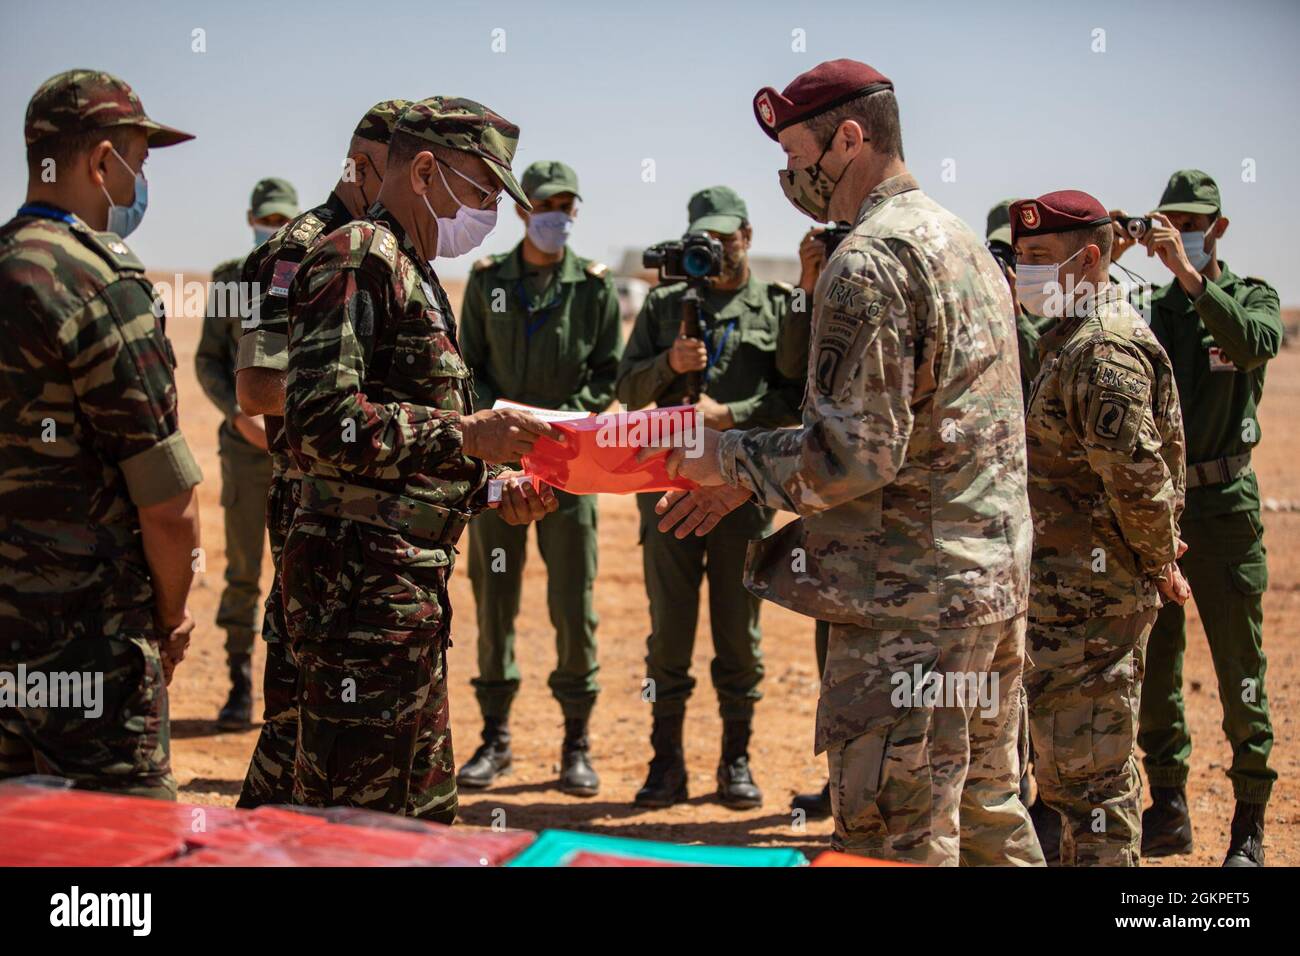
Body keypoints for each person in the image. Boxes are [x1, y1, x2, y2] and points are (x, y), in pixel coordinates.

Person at [652, 59, 1042, 865]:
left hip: (909, 616)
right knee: (986, 820)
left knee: (896, 840)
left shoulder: (869, 260)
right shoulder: (960, 240)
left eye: (797, 154)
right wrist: (746, 481)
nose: (789, 175)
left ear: (851, 138)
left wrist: (724, 457)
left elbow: (849, 459)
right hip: (989, 593)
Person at [281, 96, 557, 821]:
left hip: (404, 593)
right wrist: (464, 436)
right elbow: (317, 423)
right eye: (483, 191)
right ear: (427, 170)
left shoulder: (414, 270)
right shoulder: (355, 257)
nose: (490, 210)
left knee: (420, 821)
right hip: (357, 594)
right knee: (351, 826)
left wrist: (492, 489)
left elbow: (407, 445)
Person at [0, 70, 202, 798]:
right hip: (90, 656)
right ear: (99, 163)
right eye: (138, 165)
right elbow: (167, 503)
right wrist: (172, 621)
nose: (140, 185)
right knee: (121, 863)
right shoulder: (100, 286)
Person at [232, 99, 409, 808]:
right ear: (365, 167)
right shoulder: (298, 248)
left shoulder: (384, 248)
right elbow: (256, 387)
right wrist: (373, 405)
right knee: (304, 702)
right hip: (314, 503)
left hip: (375, 504)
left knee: (337, 711)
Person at [1009, 190, 1188, 866]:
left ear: (1088, 260)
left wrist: (1158, 559)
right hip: (1065, 602)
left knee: (1095, 787)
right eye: (1021, 257)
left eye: (1038, 259)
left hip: (1093, 605)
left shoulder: (1105, 350)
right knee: (1071, 780)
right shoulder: (1069, 338)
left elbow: (1138, 478)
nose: (1025, 272)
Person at [616, 185, 803, 810]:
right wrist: (669, 362)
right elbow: (627, 389)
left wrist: (731, 412)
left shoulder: (777, 308)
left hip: (742, 496)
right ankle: (665, 762)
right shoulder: (666, 304)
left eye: (726, 239)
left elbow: (793, 399)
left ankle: (736, 761)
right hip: (668, 493)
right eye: (706, 239)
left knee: (738, 634)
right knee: (667, 634)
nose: (716, 250)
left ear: (747, 235)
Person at [1119, 170, 1281, 867]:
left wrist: (1188, 273)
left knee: (1239, 667)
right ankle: (1170, 806)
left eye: (1193, 221)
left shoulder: (1248, 297)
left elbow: (1252, 343)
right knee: (1157, 666)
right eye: (1170, 219)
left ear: (1217, 229)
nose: (1180, 230)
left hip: (1226, 509)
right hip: (1164, 507)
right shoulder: (1154, 309)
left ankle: (1248, 823)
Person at [457, 160, 622, 796]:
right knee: (495, 602)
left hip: (570, 470)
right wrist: (502, 436)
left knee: (571, 605)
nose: (558, 216)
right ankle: (494, 737)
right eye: (546, 204)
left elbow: (605, 375)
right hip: (499, 471)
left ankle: (575, 743)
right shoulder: (487, 281)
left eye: (567, 205)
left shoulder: (595, 288)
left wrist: (563, 432)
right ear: (524, 209)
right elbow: (466, 369)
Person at [195, 176, 299, 730]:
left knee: (297, 569)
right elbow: (208, 360)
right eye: (266, 220)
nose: (274, 230)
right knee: (242, 568)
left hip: (299, 452)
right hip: (242, 449)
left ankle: (290, 689)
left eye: (283, 220)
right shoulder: (230, 281)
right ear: (251, 219)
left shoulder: (311, 272)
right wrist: (238, 416)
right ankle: (238, 682)